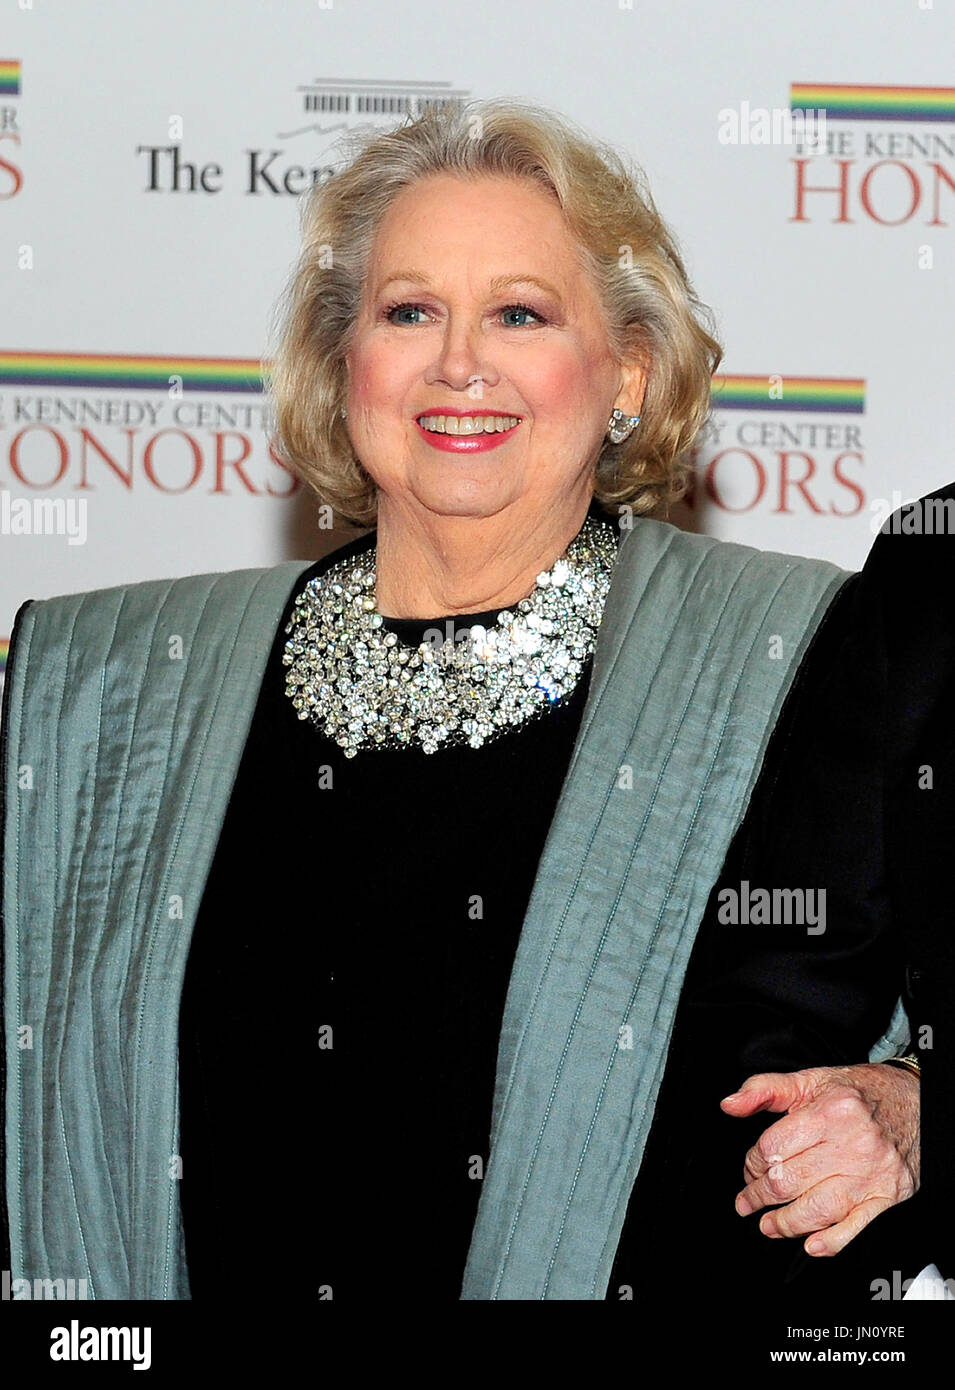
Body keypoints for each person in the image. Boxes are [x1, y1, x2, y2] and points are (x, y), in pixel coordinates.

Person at [0, 99, 924, 1302]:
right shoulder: (112, 683)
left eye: (520, 314)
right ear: (348, 368)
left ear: (628, 371)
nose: (458, 364)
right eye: (409, 311)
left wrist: (909, 1113)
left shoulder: (797, 655)